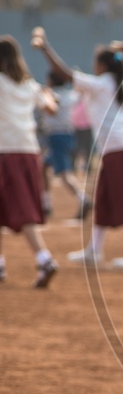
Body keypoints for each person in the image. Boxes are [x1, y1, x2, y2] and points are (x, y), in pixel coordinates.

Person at [36, 35, 123, 270]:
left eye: (96, 61)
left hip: (118, 149)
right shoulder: (118, 83)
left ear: (103, 65)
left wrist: (45, 48)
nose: (94, 65)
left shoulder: (102, 83)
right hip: (118, 148)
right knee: (103, 198)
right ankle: (94, 250)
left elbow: (65, 74)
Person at [0, 35, 59, 287]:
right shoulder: (29, 84)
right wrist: (45, 93)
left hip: (5, 150)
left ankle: (43, 258)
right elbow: (51, 109)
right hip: (28, 151)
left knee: (19, 209)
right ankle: (8, 264)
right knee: (16, 207)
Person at [41, 71, 92, 220]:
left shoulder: (54, 95)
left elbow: (50, 107)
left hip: (57, 136)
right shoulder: (70, 95)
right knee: (43, 167)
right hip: (65, 136)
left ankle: (84, 200)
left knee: (63, 173)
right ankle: (46, 205)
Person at [71, 95, 94, 174]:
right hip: (76, 126)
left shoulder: (89, 97)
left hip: (87, 126)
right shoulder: (74, 96)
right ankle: (72, 166)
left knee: (87, 148)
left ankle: (88, 167)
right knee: (75, 147)